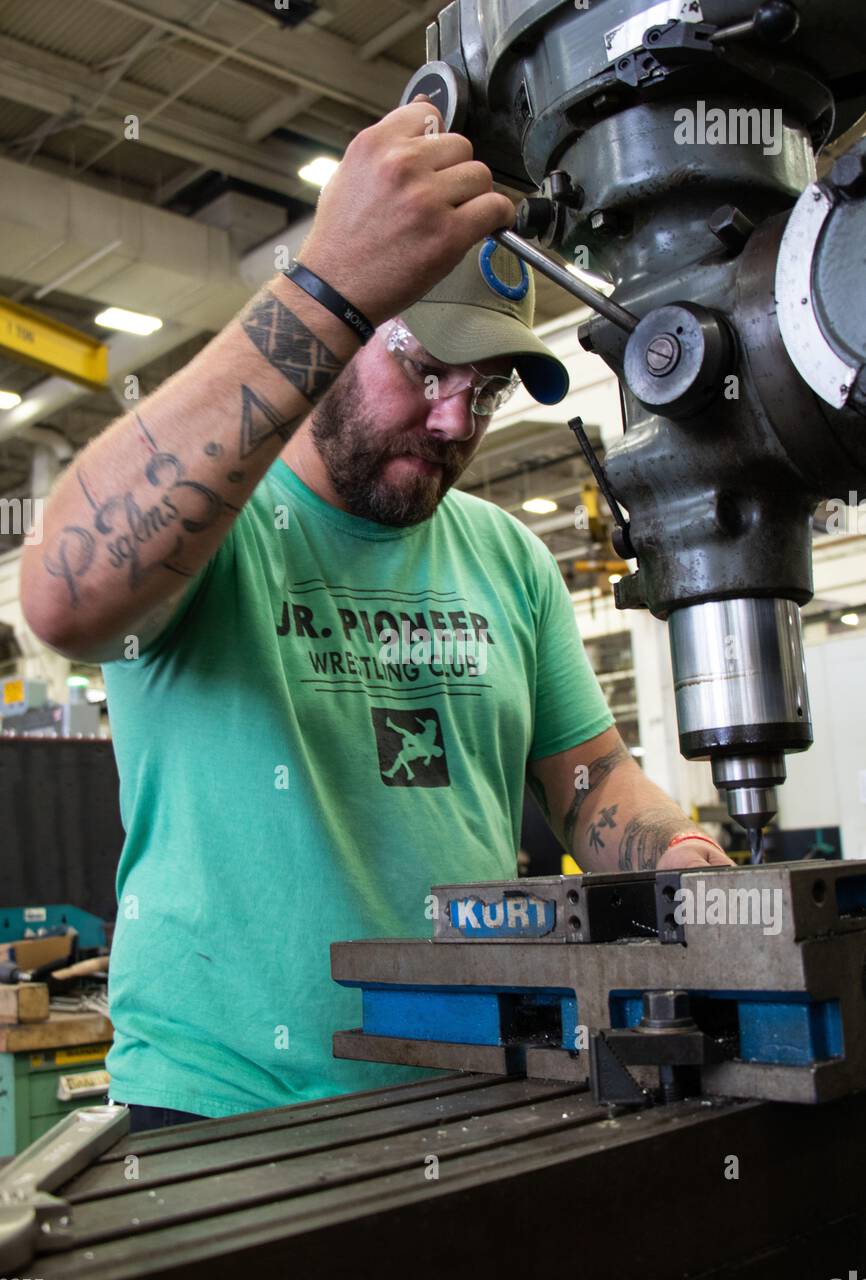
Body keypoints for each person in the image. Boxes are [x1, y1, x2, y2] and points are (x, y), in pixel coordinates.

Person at [20, 99, 731, 1132]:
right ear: (335, 339)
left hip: (475, 1080)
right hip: (222, 1103)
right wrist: (325, 283)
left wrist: (673, 855)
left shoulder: (506, 557)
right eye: (425, 367)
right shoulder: (213, 525)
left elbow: (590, 781)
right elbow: (60, 600)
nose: (454, 422)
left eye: (484, 392)